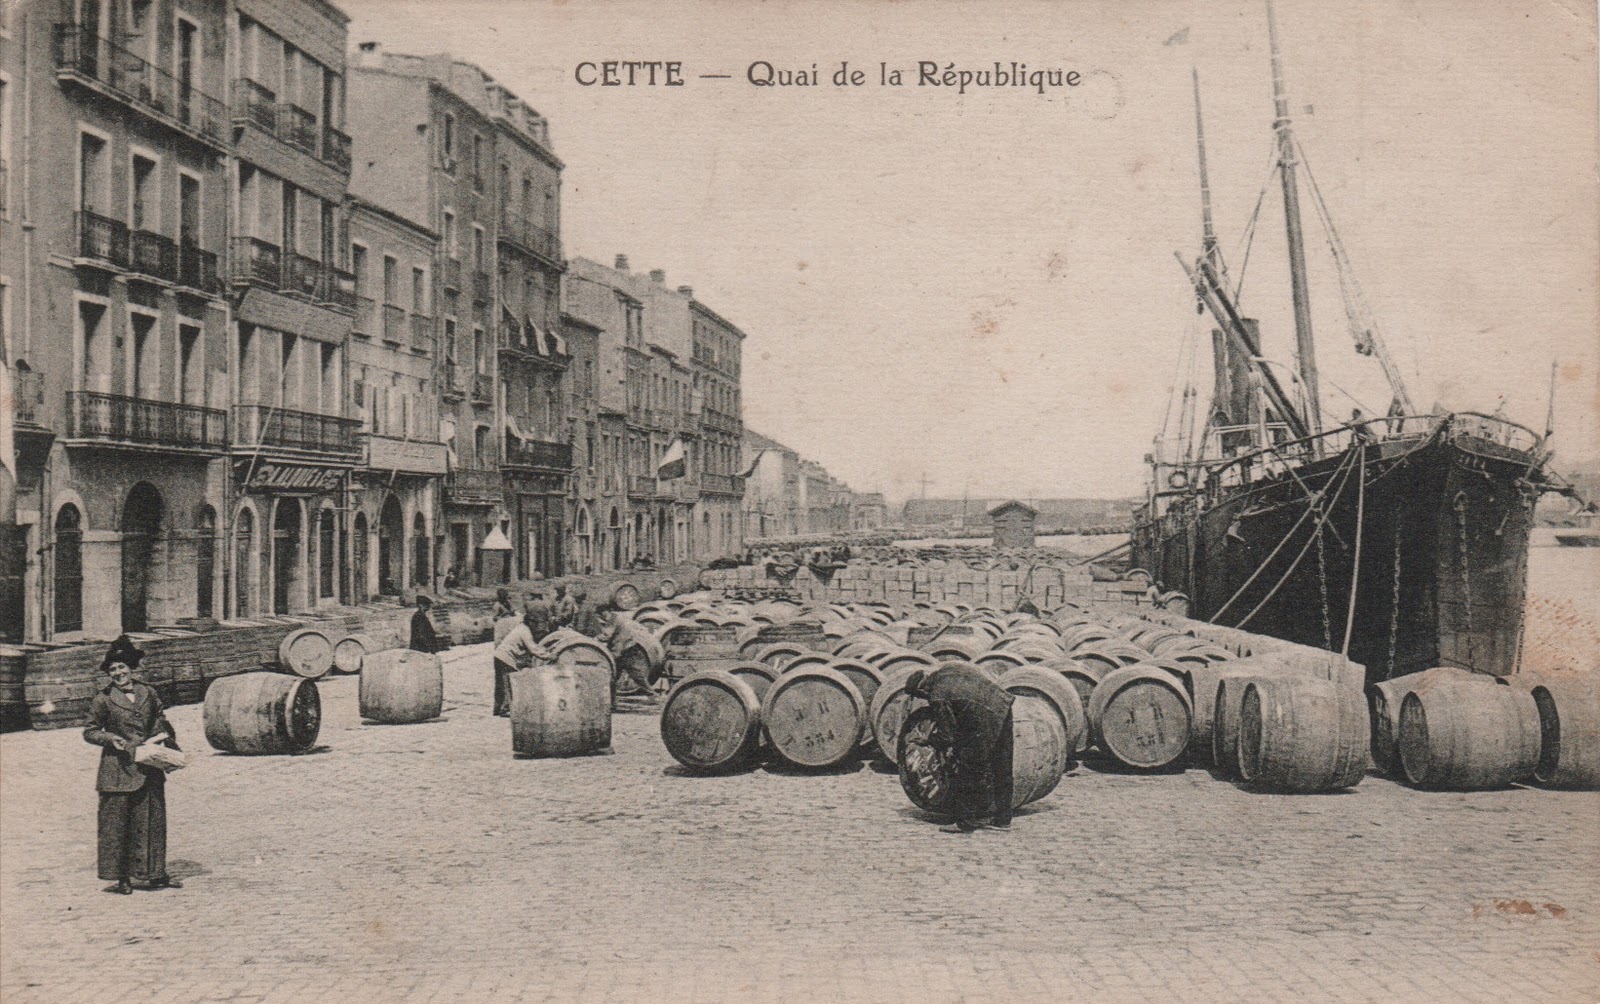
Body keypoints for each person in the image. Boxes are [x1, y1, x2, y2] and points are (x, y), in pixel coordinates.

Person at [82, 637, 181, 894]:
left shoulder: (148, 692)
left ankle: (155, 874)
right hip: (118, 768)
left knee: (152, 821)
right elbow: (90, 731)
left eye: (122, 667)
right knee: (117, 825)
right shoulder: (103, 699)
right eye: (112, 669)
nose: (118, 673)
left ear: (131, 667)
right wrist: (109, 738)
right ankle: (122, 879)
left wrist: (160, 736)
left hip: (148, 765)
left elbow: (159, 717)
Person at [904, 664, 1015, 834]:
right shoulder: (947, 670)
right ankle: (1003, 820)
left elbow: (947, 735)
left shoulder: (937, 696)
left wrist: (928, 740)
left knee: (969, 769)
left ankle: (966, 822)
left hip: (982, 719)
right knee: (1002, 767)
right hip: (1002, 706)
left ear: (921, 689)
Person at [491, 605, 557, 716]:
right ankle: (506, 709)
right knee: (509, 683)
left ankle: (497, 708)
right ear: (531, 622)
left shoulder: (521, 628)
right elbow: (533, 649)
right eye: (536, 623)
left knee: (500, 683)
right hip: (507, 657)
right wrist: (550, 656)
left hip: (499, 655)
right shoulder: (524, 631)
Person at [594, 606, 660, 709]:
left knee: (637, 676)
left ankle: (653, 696)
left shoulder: (614, 620)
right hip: (622, 651)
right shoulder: (617, 618)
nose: (603, 617)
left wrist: (595, 638)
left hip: (627, 651)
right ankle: (612, 702)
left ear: (608, 611)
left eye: (603, 614)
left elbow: (608, 635)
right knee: (613, 677)